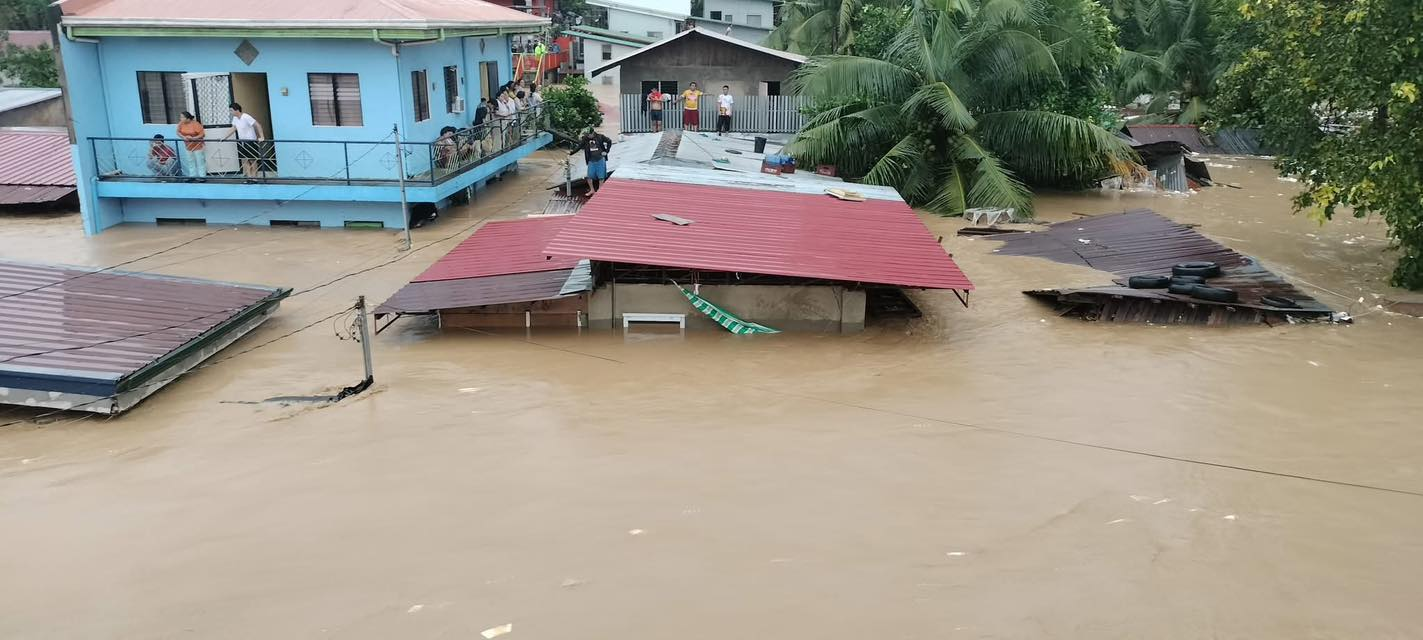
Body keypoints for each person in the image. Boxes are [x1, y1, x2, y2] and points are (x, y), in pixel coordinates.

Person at [221, 102, 265, 180]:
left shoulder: (246, 117)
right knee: (244, 160)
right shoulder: (235, 119)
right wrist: (224, 137)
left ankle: (255, 178)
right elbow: (234, 128)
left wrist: (262, 137)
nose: (230, 112)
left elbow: (258, 125)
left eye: (231, 110)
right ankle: (249, 177)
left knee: (253, 160)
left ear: (237, 110)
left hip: (251, 141)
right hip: (242, 142)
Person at [571, 127, 612, 196]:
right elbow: (579, 146)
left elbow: (609, 141)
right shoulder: (585, 139)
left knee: (601, 177)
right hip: (591, 160)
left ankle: (600, 191)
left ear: (592, 133)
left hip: (600, 159)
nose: (587, 136)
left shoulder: (600, 137)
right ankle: (592, 190)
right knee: (589, 177)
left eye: (588, 134)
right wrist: (571, 153)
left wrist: (606, 151)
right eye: (586, 134)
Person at [176, 111, 206, 179]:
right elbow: (178, 132)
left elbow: (202, 134)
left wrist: (193, 138)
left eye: (182, 117)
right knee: (190, 161)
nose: (181, 119)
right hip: (188, 145)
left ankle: (202, 176)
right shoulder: (181, 124)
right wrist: (183, 137)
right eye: (180, 117)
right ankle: (192, 176)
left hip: (197, 145)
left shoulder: (195, 124)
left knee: (200, 161)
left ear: (188, 119)